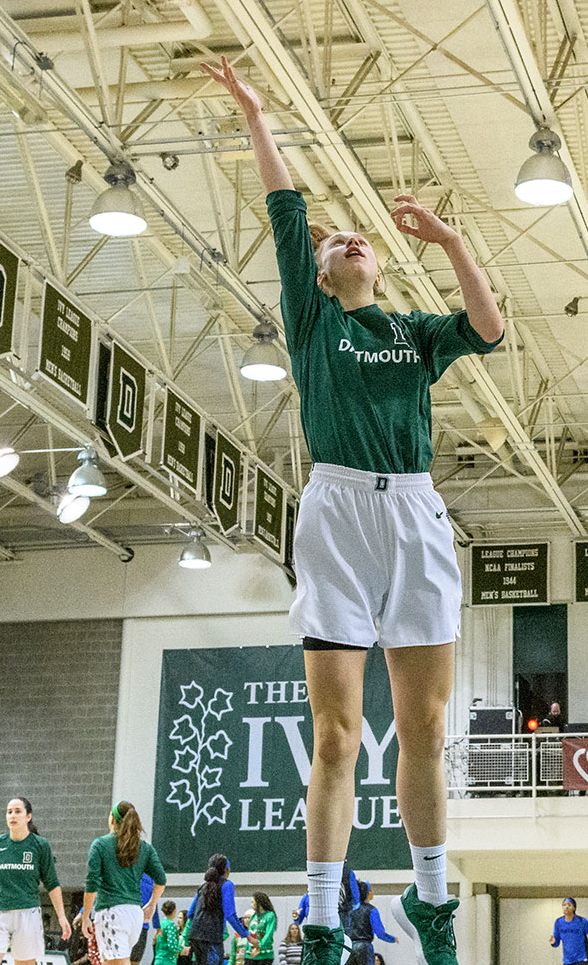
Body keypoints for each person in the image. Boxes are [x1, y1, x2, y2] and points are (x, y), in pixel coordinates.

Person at [203, 57, 503, 965]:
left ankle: (435, 905)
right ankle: (325, 918)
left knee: (424, 729)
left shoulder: (412, 331)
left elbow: (489, 326)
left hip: (413, 515)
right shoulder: (312, 318)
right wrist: (258, 116)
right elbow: (285, 208)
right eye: (337, 244)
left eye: (359, 239)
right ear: (324, 273)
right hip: (335, 511)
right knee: (335, 736)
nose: (350, 241)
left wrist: (449, 240)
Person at [0, 797, 69, 965]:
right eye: (9, 812)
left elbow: (52, 883)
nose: (12, 815)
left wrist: (62, 916)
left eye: (18, 811)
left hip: (27, 914)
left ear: (28, 816)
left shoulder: (40, 845)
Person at [85, 802, 167, 965]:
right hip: (135, 915)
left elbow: (92, 883)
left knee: (116, 962)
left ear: (113, 820)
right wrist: (151, 904)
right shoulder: (145, 848)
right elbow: (161, 879)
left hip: (111, 912)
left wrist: (86, 914)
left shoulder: (100, 844)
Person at [181, 853, 249, 965]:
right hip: (211, 937)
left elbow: (191, 913)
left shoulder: (202, 887)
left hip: (195, 936)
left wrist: (185, 939)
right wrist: (246, 934)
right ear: (227, 870)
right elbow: (230, 915)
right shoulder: (227, 885)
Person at [345, 882, 396, 965]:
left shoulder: (349, 910)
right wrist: (393, 939)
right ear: (368, 893)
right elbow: (380, 933)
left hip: (349, 946)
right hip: (364, 947)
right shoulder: (371, 910)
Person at [550, 898, 588, 965]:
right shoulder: (558, 922)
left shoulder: (582, 921)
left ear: (574, 908)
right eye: (564, 905)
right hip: (567, 961)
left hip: (582, 959)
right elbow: (557, 943)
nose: (566, 907)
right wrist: (553, 942)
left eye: (569, 905)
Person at [249, 894, 278, 965]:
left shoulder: (270, 915)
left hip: (264, 954)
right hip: (250, 954)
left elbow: (269, 934)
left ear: (259, 903)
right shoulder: (253, 916)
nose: (251, 905)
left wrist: (259, 946)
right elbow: (249, 932)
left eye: (253, 902)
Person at [154, 901, 183, 965]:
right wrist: (182, 948)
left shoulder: (161, 923)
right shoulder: (171, 925)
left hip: (158, 958)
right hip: (168, 960)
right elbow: (172, 945)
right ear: (174, 910)